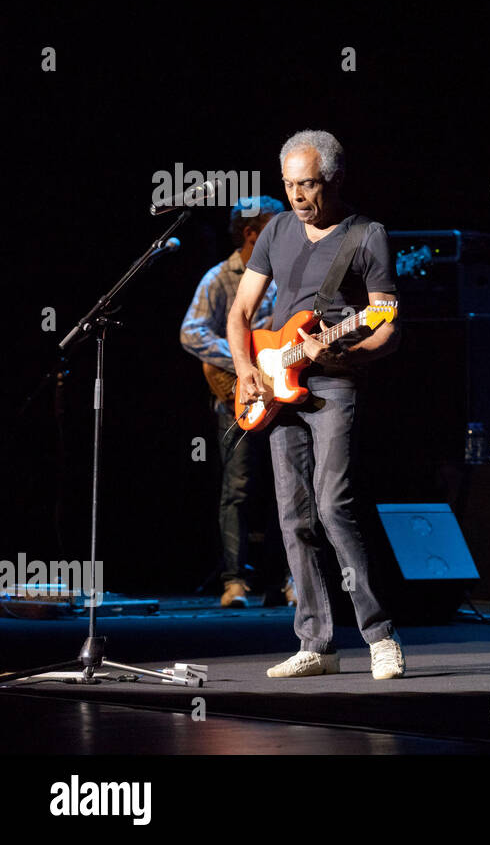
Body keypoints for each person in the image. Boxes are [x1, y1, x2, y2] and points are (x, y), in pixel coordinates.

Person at [227, 129, 405, 679]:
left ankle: (379, 636)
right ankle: (315, 642)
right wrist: (246, 370)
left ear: (334, 179)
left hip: (332, 384)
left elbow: (385, 324)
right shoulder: (277, 228)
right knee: (292, 514)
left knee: (333, 506)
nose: (297, 196)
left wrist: (345, 353)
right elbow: (240, 314)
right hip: (275, 385)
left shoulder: (367, 235)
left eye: (307, 185)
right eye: (288, 185)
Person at [179, 196, 292, 608]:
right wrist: (246, 364)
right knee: (239, 490)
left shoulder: (289, 276)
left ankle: (290, 580)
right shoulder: (220, 278)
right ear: (251, 233)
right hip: (239, 400)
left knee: (292, 488)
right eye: (277, 229)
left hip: (284, 396)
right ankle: (234, 582)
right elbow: (192, 333)